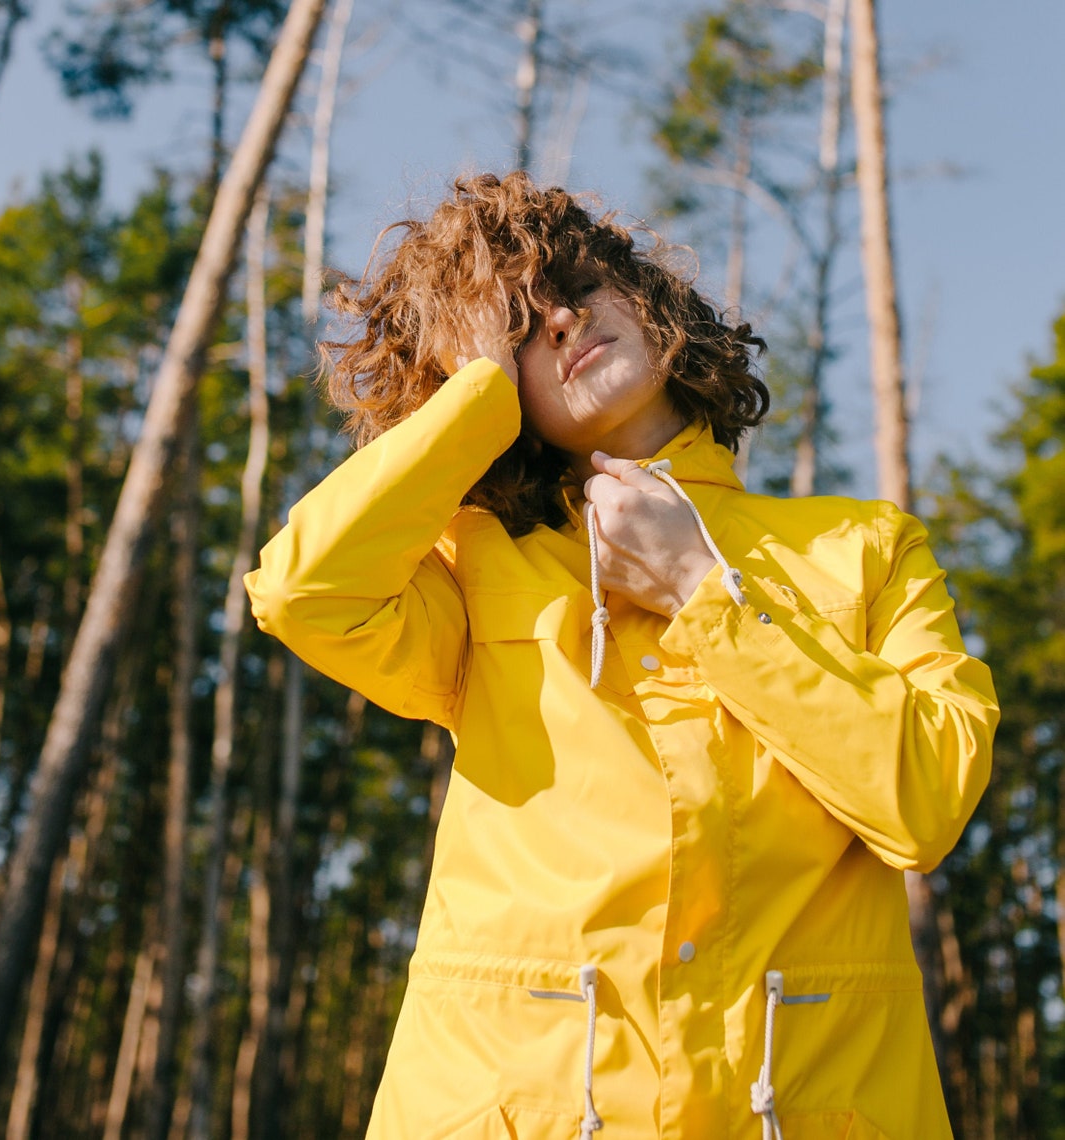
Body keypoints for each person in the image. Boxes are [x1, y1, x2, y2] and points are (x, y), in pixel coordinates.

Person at [244, 171, 998, 1140]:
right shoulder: (476, 567)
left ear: (648, 298)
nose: (559, 317)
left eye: (576, 280)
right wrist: (477, 404)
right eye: (514, 324)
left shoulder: (864, 545)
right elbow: (304, 591)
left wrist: (703, 592)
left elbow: (929, 797)